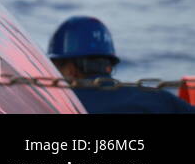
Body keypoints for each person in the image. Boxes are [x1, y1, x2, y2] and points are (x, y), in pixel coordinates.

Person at [47, 15, 193, 113]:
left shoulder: (55, 106)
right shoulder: (160, 99)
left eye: (55, 68)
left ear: (70, 70)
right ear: (109, 65)